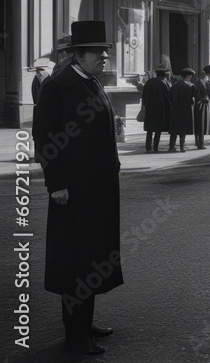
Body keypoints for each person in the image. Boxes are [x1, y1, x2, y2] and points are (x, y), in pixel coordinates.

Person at [33, 20, 122, 355]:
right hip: (73, 191)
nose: (103, 57)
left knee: (93, 258)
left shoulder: (90, 81)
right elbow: (44, 138)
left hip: (97, 190)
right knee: (76, 261)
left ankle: (85, 322)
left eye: (103, 52)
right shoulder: (59, 85)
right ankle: (76, 333)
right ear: (78, 55)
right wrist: (56, 184)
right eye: (98, 52)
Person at [141, 68, 171, 153]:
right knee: (158, 130)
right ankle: (155, 147)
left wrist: (143, 105)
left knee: (150, 130)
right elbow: (167, 97)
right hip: (160, 110)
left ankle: (148, 147)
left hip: (149, 109)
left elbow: (144, 95)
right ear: (164, 76)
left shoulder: (149, 82)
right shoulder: (164, 83)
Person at [167, 68, 196, 152]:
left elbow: (170, 98)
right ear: (187, 76)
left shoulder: (174, 85)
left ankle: (171, 147)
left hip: (175, 110)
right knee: (183, 130)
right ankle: (182, 147)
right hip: (185, 110)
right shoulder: (190, 86)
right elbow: (192, 100)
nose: (191, 77)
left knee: (174, 130)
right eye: (190, 76)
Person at [193, 65, 210, 149]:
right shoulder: (204, 81)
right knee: (201, 124)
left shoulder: (204, 81)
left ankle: (198, 142)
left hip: (201, 104)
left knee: (200, 124)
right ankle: (200, 143)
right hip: (202, 104)